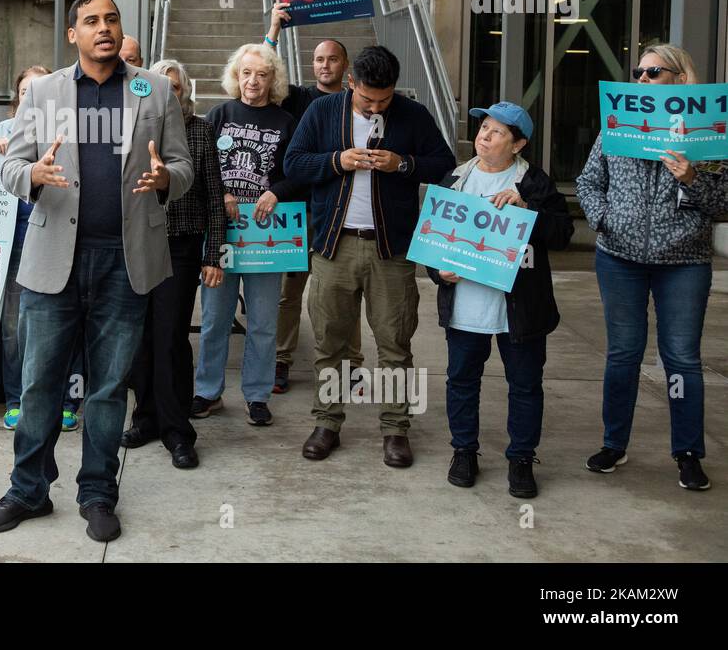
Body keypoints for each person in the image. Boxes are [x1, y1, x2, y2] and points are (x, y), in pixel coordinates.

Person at [0, 0, 193, 543]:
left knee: (107, 388)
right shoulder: (47, 91)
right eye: (91, 21)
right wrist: (32, 178)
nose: (104, 28)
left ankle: (97, 492)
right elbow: (10, 167)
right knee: (39, 382)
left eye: (112, 19)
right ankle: (28, 489)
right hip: (55, 257)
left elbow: (183, 163)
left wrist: (167, 178)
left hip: (127, 261)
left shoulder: (154, 89)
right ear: (72, 33)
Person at [285, 44, 455, 467]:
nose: (376, 106)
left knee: (395, 342)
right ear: (350, 84)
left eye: (384, 99)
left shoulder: (412, 114)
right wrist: (336, 160)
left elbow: (444, 166)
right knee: (330, 341)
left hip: (391, 249)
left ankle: (396, 429)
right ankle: (327, 421)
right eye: (367, 99)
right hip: (333, 245)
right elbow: (293, 164)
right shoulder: (324, 112)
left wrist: (403, 164)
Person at [576, 44, 725, 492]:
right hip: (618, 258)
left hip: (685, 261)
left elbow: (724, 203)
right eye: (638, 72)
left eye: (652, 72)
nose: (640, 79)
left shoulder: (707, 134)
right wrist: (604, 220)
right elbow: (588, 181)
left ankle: (687, 453)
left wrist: (692, 179)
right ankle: (613, 443)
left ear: (680, 79)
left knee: (681, 358)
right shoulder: (617, 123)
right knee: (623, 353)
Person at [428, 103, 573, 498]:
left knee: (525, 385)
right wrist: (438, 272)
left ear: (519, 144)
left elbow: (562, 234)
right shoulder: (456, 178)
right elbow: (433, 241)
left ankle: (522, 459)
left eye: (497, 132)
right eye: (484, 128)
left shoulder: (534, 183)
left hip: (520, 310)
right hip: (465, 306)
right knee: (461, 381)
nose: (484, 136)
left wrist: (529, 210)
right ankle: (464, 451)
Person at [191, 44, 301, 428]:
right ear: (236, 77)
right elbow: (200, 165)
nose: (253, 81)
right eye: (246, 73)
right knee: (215, 317)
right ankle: (207, 391)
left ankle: (257, 395)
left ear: (273, 80)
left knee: (263, 321)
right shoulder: (219, 115)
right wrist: (220, 193)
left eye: (261, 74)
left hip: (265, 234)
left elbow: (295, 173)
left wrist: (277, 192)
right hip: (221, 233)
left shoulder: (286, 121)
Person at [124, 59, 226, 468]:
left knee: (169, 337)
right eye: (160, 88)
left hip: (180, 248)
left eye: (176, 89)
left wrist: (212, 253)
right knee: (139, 339)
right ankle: (145, 418)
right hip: (135, 244)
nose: (169, 95)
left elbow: (215, 199)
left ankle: (177, 431)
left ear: (185, 93)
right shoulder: (134, 127)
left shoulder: (200, 131)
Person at [264, 4, 362, 393]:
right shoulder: (297, 99)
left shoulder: (358, 104)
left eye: (332, 59)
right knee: (289, 296)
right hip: (296, 214)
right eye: (318, 59)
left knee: (344, 299)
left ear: (345, 65)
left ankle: (352, 365)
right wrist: (274, 27)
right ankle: (282, 360)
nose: (324, 65)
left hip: (339, 216)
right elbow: (264, 68)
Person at [0, 65, 86, 432]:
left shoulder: (71, 124)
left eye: (39, 87)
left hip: (60, 231)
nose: (33, 94)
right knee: (16, 326)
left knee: (67, 320)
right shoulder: (3, 131)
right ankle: (17, 400)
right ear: (18, 97)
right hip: (16, 234)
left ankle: (68, 400)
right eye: (26, 90)